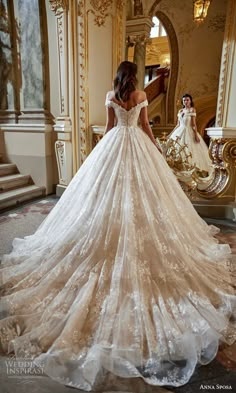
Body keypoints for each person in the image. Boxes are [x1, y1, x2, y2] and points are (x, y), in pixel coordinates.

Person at [0, 61, 235, 392]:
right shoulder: (140, 94)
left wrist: (98, 159)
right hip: (137, 147)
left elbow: (110, 128)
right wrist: (157, 154)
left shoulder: (111, 94)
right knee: (144, 202)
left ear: (117, 79)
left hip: (114, 148)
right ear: (134, 79)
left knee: (107, 202)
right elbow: (146, 130)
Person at [167, 94, 213, 174]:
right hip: (179, 131)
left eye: (187, 100)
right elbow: (178, 125)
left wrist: (195, 135)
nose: (186, 102)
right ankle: (178, 168)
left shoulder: (192, 110)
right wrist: (171, 134)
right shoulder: (180, 111)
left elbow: (193, 124)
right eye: (184, 100)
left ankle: (190, 169)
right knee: (176, 149)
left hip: (189, 131)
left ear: (190, 101)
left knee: (189, 149)